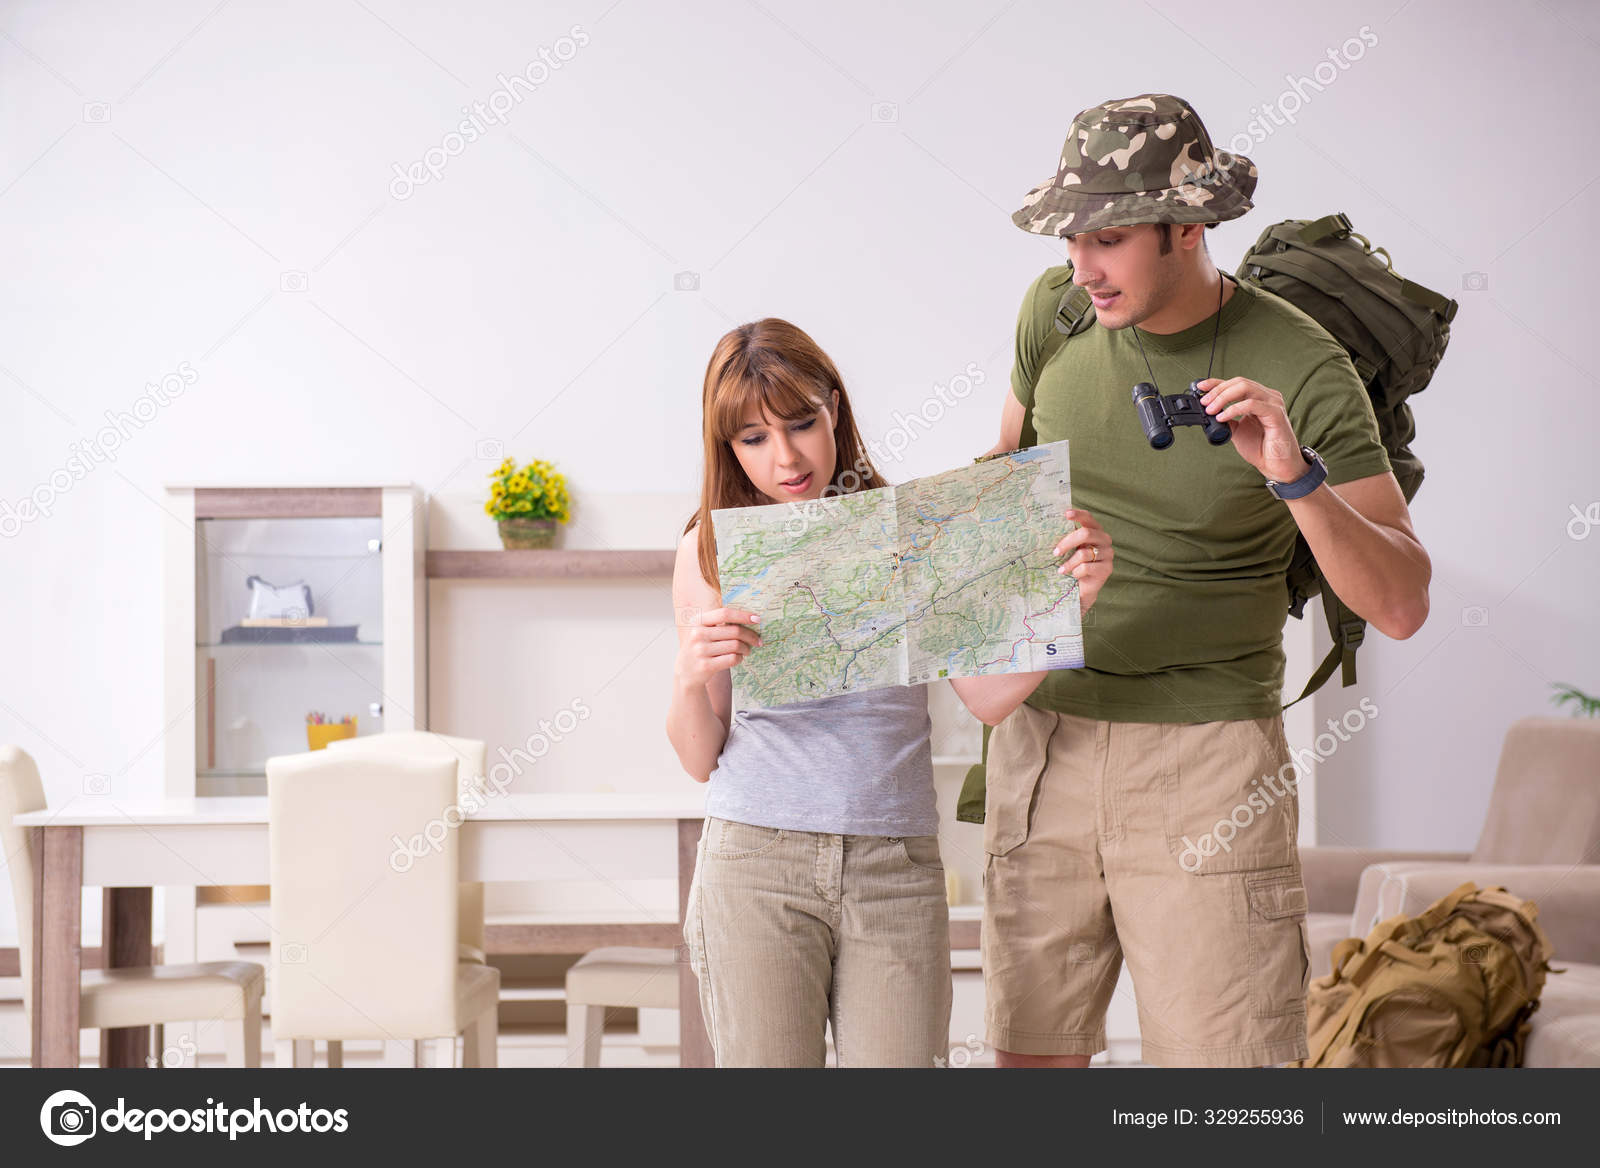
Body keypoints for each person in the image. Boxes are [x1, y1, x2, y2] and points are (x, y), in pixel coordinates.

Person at [980, 93, 1431, 1068]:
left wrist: (1295, 474)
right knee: (1025, 1070)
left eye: (1107, 237)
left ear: (1187, 224)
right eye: (1071, 236)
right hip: (1042, 746)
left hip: (1206, 767)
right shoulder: (1051, 315)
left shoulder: (1298, 362)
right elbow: (1001, 473)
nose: (1080, 264)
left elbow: (1399, 602)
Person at [666, 317, 1113, 1067]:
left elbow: (987, 699)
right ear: (727, 447)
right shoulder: (709, 545)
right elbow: (699, 754)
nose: (786, 457)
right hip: (755, 862)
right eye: (753, 439)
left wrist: (1076, 604)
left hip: (894, 864)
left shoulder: (912, 530)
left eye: (802, 424)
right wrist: (687, 674)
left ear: (834, 409)